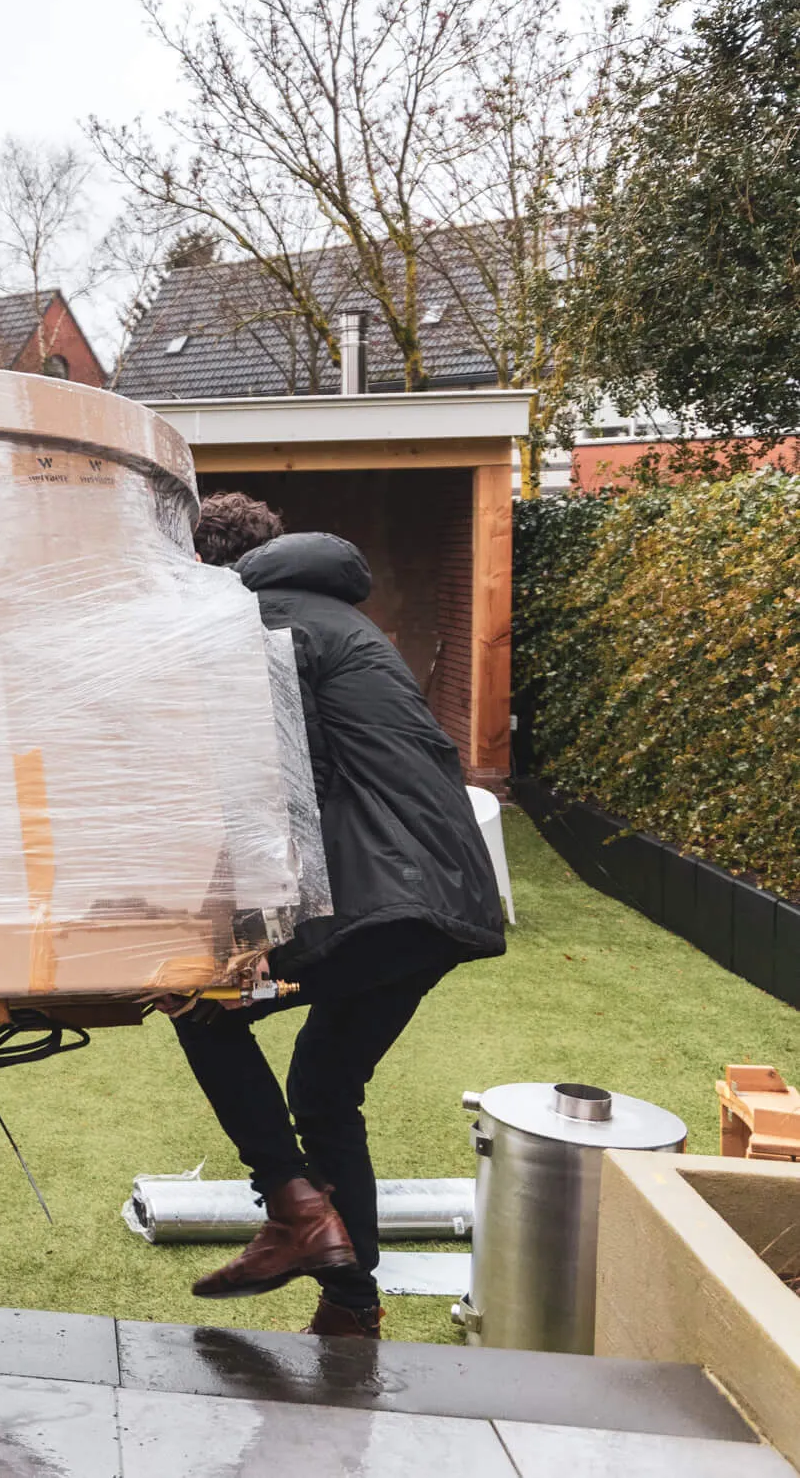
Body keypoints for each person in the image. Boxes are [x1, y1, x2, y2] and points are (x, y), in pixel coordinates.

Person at [173, 492, 506, 1340]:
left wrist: (245, 938)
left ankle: (295, 1211)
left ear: (206, 567)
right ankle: (352, 1310)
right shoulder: (343, 619)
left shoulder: (266, 622)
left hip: (376, 898)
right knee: (323, 1087)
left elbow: (288, 787)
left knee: (201, 1007)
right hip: (439, 900)